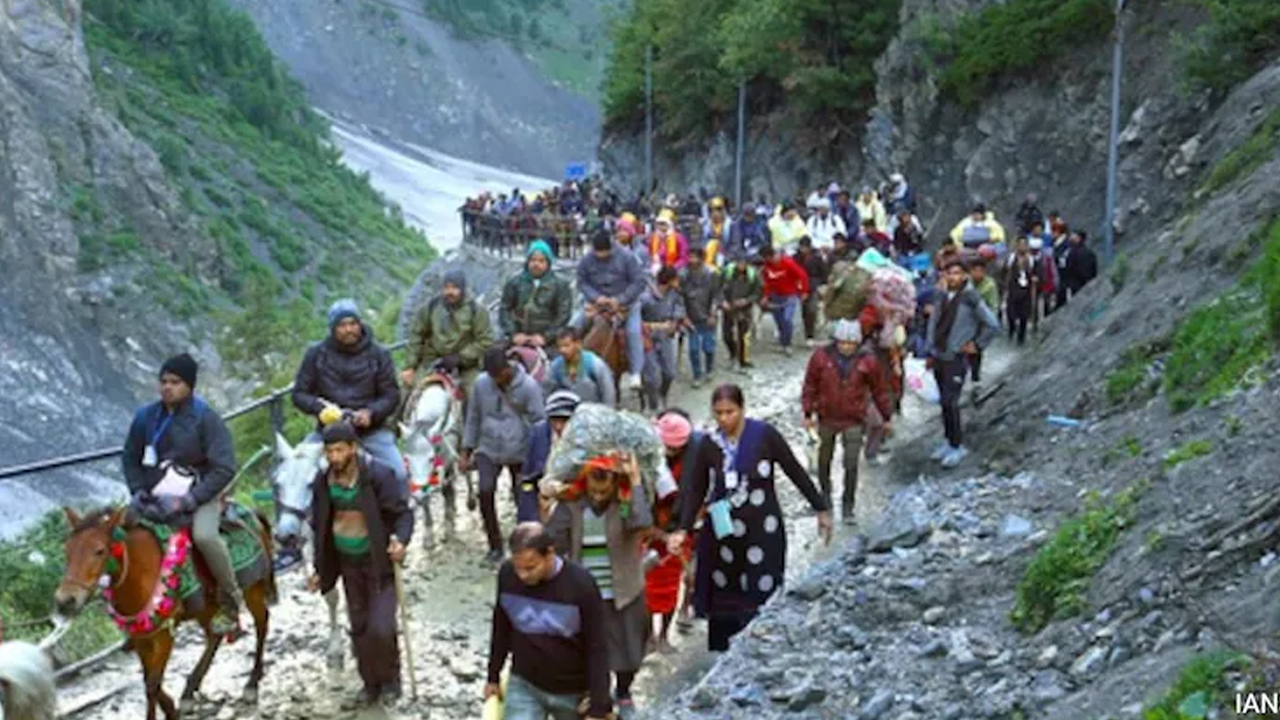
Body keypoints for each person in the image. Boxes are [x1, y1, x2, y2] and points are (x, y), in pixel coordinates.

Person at [666, 385, 832, 652]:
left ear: (742, 409)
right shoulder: (710, 443)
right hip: (723, 529)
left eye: (730, 412)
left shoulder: (764, 435)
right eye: (718, 413)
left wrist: (820, 508)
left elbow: (794, 470)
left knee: (760, 581)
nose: (724, 419)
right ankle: (726, 651)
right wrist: (682, 529)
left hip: (762, 526)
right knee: (726, 585)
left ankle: (759, 644)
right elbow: (697, 488)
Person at [123, 353, 241, 636]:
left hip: (200, 493)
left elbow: (224, 468)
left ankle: (231, 600)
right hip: (154, 495)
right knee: (120, 534)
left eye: (175, 382)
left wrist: (191, 499)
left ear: (189, 385)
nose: (167, 387)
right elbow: (130, 458)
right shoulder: (145, 417)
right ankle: (130, 608)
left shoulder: (205, 418)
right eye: (163, 381)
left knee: (205, 536)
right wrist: (138, 491)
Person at [307, 422, 413, 707]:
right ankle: (370, 683)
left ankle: (391, 679)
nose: (334, 457)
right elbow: (319, 526)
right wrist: (320, 569)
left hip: (377, 561)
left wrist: (401, 541)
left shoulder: (378, 475)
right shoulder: (323, 482)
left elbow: (402, 514)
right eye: (329, 451)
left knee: (381, 627)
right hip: (347, 562)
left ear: (353, 448)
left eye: (339, 450)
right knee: (359, 626)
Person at [543, 453, 654, 716]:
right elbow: (553, 541)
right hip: (586, 594)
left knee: (629, 648)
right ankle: (596, 696)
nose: (598, 496)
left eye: (604, 491)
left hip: (624, 591)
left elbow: (642, 523)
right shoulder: (572, 505)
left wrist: (635, 480)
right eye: (593, 489)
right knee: (589, 651)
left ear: (615, 483)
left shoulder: (625, 502)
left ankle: (624, 691)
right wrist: (547, 505)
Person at [485, 523, 612, 720]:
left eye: (530, 568)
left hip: (573, 692)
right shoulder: (508, 575)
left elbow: (597, 647)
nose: (522, 575)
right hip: (525, 684)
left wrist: (598, 706)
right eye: (518, 567)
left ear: (550, 554)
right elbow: (501, 627)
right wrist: (493, 676)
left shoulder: (581, 585)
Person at [293, 299, 405, 478]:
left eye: (353, 324)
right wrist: (320, 409)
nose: (349, 329)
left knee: (398, 474)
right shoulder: (316, 354)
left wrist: (371, 413)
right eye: (342, 325)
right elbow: (299, 394)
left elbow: (391, 395)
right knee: (296, 470)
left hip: (371, 432)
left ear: (360, 324)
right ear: (333, 328)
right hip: (328, 432)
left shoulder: (378, 354)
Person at [801, 321, 892, 524]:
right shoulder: (821, 357)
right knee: (823, 461)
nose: (846, 347)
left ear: (857, 343)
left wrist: (886, 416)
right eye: (842, 342)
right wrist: (807, 413)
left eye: (850, 343)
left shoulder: (868, 361)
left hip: (854, 419)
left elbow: (879, 390)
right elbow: (810, 385)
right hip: (826, 417)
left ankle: (848, 506)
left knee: (851, 464)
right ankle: (825, 497)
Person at [463, 347, 546, 562]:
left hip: (519, 449)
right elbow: (473, 417)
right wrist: (467, 449)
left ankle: (525, 543)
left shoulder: (528, 387)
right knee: (485, 492)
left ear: (507, 368)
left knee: (522, 497)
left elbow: (539, 421)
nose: (496, 380)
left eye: (499, 375)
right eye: (492, 376)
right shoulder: (481, 384)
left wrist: (537, 457)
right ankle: (494, 545)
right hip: (488, 447)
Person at [925, 261, 1001, 469]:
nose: (953, 277)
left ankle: (957, 445)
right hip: (939, 355)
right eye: (949, 273)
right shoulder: (940, 296)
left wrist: (976, 344)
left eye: (957, 273)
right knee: (943, 401)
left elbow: (993, 324)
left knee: (951, 401)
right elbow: (933, 323)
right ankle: (948, 440)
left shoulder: (971, 298)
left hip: (957, 357)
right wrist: (930, 350)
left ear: (965, 275)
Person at [645, 411, 700, 653]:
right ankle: (649, 636)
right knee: (645, 589)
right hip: (650, 531)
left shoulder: (693, 462)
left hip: (678, 531)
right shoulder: (646, 461)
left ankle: (664, 635)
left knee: (671, 588)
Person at [403, 270, 495, 397]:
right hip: (432, 362)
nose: (450, 292)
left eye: (454, 288)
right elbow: (416, 334)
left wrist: (460, 357)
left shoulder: (476, 311)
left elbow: (486, 340)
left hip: (466, 366)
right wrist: (410, 365)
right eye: (446, 288)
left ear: (462, 289)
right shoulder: (431, 307)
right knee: (408, 389)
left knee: (475, 393)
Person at [576, 232, 648, 391]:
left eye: (605, 253)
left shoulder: (627, 257)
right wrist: (596, 297)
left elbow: (639, 282)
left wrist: (620, 299)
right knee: (575, 323)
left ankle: (636, 372)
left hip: (626, 305)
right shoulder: (587, 259)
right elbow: (581, 282)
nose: (601, 256)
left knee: (633, 332)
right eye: (598, 253)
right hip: (597, 304)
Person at [517, 391, 581, 523]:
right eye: (554, 420)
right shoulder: (538, 434)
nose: (558, 426)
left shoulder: (588, 438)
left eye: (564, 420)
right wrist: (529, 518)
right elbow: (527, 480)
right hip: (543, 502)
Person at [500, 240, 573, 351]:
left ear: (548, 263)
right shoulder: (515, 283)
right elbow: (505, 309)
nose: (536, 264)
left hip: (548, 341)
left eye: (541, 261)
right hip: (518, 337)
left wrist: (545, 337)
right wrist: (513, 334)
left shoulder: (560, 285)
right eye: (533, 260)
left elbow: (563, 316)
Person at [639, 266, 686, 410]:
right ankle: (653, 405)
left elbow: (679, 307)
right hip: (648, 340)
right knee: (652, 377)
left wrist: (675, 321)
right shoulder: (645, 297)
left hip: (666, 338)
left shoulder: (674, 294)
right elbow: (635, 318)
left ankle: (662, 395)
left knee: (669, 373)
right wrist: (653, 326)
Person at [680, 246, 722, 388]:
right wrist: (683, 316)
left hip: (707, 316)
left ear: (701, 258)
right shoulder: (683, 275)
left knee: (708, 347)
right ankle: (697, 374)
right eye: (690, 257)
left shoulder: (711, 274)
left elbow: (716, 295)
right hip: (691, 318)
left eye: (694, 257)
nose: (691, 260)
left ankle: (709, 368)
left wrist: (713, 314)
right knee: (693, 349)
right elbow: (680, 298)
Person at [758, 244, 809, 357]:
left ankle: (787, 344)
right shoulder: (766, 267)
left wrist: (804, 291)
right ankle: (783, 341)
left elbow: (802, 275)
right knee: (779, 321)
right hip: (775, 296)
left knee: (787, 319)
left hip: (790, 295)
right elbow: (767, 283)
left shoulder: (787, 263)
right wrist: (766, 296)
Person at [545, 328, 616, 407]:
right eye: (559, 346)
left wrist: (607, 412)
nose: (562, 350)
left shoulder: (595, 364)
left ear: (578, 344)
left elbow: (608, 393)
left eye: (566, 346)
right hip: (567, 410)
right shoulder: (555, 367)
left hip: (594, 410)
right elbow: (545, 391)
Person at [720, 256, 762, 372]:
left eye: (743, 263)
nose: (741, 265)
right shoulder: (727, 272)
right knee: (727, 335)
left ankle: (742, 360)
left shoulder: (753, 275)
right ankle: (733, 353)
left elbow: (758, 293)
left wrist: (746, 301)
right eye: (739, 263)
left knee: (743, 336)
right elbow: (717, 288)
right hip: (729, 308)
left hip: (744, 310)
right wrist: (722, 301)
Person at [967, 259, 1000, 387]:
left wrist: (990, 321)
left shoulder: (989, 285)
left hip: (981, 321)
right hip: (966, 321)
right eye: (975, 271)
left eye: (980, 271)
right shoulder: (966, 284)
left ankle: (975, 378)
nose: (977, 274)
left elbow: (993, 305)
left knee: (976, 350)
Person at [793, 237, 829, 346]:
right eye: (802, 247)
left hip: (813, 286)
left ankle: (810, 334)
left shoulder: (817, 258)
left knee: (811, 310)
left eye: (805, 247)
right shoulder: (795, 258)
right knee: (801, 312)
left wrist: (823, 285)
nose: (803, 249)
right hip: (798, 286)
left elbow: (824, 272)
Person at [1003, 237, 1037, 347]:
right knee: (1011, 313)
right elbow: (1006, 272)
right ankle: (1011, 329)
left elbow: (1036, 273)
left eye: (1024, 244)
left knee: (1024, 315)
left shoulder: (1031, 259)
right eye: (1020, 244)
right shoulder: (1011, 258)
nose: (1022, 247)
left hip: (1026, 291)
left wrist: (1035, 279)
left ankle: (1021, 338)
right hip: (1013, 289)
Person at [1060, 230, 1099, 304]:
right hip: (1086, 285)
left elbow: (1068, 268)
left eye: (1073, 235)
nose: (1070, 237)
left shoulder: (1072, 253)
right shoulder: (1089, 253)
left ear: (1078, 238)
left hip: (1075, 285)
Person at [1029, 237, 1058, 325]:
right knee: (1033, 304)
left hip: (1045, 284)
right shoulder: (1028, 258)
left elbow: (1052, 271)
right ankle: (1034, 321)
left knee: (1046, 303)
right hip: (1031, 285)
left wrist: (1054, 283)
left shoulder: (1046, 258)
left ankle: (1046, 320)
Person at [700, 197, 732, 268]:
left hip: (727, 254)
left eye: (719, 209)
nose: (716, 213)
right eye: (712, 210)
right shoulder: (705, 225)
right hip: (708, 253)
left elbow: (732, 243)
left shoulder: (731, 225)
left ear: (724, 211)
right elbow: (703, 242)